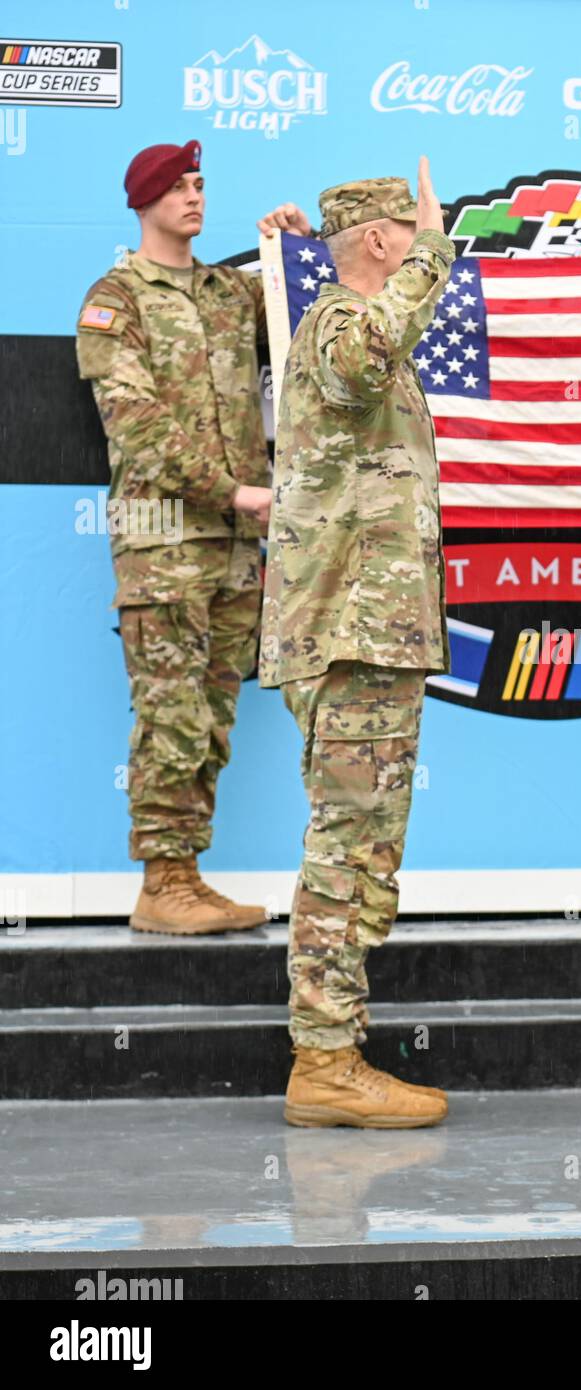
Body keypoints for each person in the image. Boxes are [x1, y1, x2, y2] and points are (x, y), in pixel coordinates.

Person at [260, 159, 453, 1129]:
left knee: (364, 843)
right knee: (348, 844)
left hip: (374, 633)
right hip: (352, 633)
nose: (425, 242)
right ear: (380, 240)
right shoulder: (343, 324)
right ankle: (324, 1060)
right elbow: (362, 354)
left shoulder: (354, 323)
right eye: (411, 230)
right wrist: (434, 257)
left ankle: (336, 1050)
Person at [76, 140, 311, 935]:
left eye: (202, 185)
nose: (195, 197)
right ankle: (161, 882)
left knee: (212, 715)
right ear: (144, 200)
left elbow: (304, 322)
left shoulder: (228, 293)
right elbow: (137, 427)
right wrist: (236, 491)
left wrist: (294, 246)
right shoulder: (115, 299)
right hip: (165, 542)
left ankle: (185, 872)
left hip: (237, 546)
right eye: (178, 187)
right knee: (170, 712)